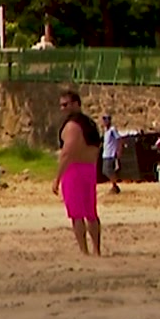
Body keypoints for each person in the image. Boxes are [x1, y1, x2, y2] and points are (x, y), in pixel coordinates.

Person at [53, 89, 102, 256]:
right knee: (91, 213)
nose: (63, 108)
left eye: (66, 104)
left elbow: (68, 152)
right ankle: (97, 249)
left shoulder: (72, 125)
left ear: (76, 104)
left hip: (74, 170)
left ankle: (84, 251)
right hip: (89, 169)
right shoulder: (90, 124)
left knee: (77, 214)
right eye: (61, 105)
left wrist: (57, 178)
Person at [100, 115, 123, 195]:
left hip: (110, 154)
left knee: (108, 170)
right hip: (106, 154)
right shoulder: (106, 131)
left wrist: (119, 151)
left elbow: (119, 139)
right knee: (105, 170)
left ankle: (115, 186)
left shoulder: (112, 130)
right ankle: (114, 184)